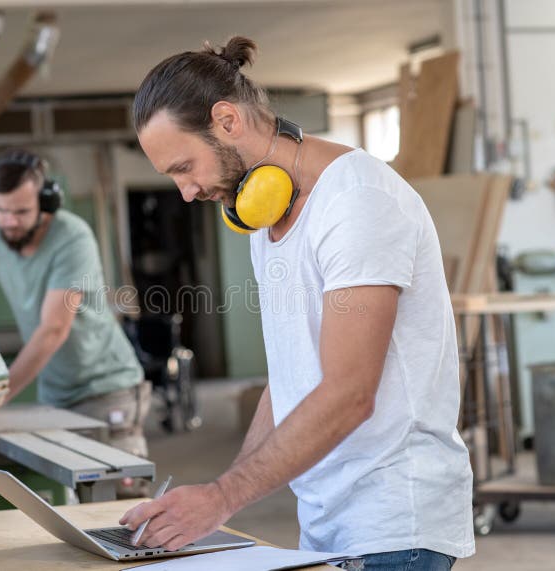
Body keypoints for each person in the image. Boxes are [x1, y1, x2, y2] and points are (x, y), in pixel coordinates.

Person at [119, 37, 474, 569]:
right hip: (327, 524)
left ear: (227, 121)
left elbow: (350, 394)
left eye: (184, 167)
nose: (186, 192)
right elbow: (290, 380)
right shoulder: (266, 217)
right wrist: (219, 496)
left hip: (395, 529)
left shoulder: (357, 203)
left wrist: (223, 497)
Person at [0, 150, 151, 478]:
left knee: (118, 504)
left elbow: (54, 329)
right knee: (66, 502)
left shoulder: (72, 237)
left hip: (107, 389)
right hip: (55, 393)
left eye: (22, 211)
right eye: (2, 211)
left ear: (46, 202)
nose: (10, 221)